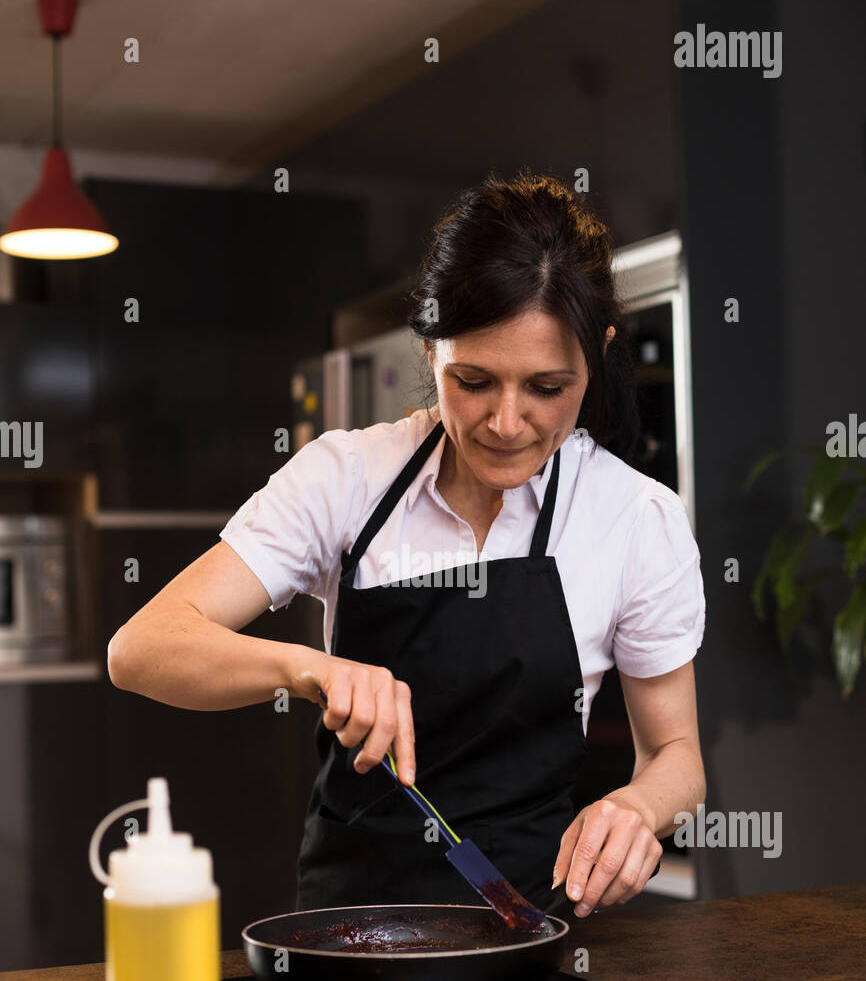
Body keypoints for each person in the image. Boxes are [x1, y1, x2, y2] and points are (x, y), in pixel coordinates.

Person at [108, 170, 706, 918]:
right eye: (475, 380)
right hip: (351, 933)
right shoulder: (346, 477)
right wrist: (309, 670)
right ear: (429, 351)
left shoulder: (635, 517)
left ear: (599, 355)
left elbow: (677, 755)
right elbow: (140, 649)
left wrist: (639, 810)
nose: (508, 422)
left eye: (548, 387)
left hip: (534, 928)